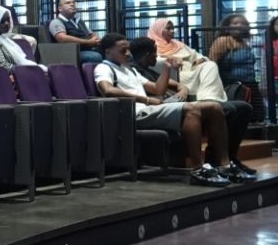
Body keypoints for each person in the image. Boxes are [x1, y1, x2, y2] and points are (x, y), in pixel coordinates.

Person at [93, 34, 232, 187]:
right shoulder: (103, 67)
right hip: (132, 114)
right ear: (107, 51)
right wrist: (145, 99)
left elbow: (158, 89)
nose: (127, 53)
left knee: (214, 107)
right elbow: (108, 90)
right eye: (123, 50)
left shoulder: (129, 70)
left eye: (128, 50)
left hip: (148, 110)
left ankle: (224, 166)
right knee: (191, 110)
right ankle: (198, 169)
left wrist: (166, 68)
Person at [128, 37, 256, 181]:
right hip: (163, 106)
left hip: (179, 101)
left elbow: (176, 85)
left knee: (244, 108)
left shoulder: (150, 70)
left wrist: (182, 89)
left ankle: (230, 159)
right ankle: (214, 160)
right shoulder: (134, 71)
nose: (157, 56)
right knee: (228, 109)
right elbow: (157, 90)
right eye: (155, 53)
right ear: (147, 54)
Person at [148, 17, 226, 101]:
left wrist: (201, 59)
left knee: (211, 65)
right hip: (174, 76)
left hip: (192, 70)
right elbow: (151, 63)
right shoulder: (151, 45)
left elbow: (198, 55)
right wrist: (168, 59)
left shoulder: (177, 44)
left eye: (173, 28)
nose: (172, 31)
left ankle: (208, 98)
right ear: (158, 30)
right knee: (204, 75)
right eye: (168, 28)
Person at [208, 14, 260, 104]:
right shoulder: (223, 40)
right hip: (233, 86)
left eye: (243, 23)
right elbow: (212, 63)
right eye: (235, 23)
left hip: (251, 84)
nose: (239, 25)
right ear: (227, 26)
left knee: (257, 115)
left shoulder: (245, 43)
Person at [0, 2, 38, 68]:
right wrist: (24, 72)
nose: (6, 23)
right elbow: (2, 66)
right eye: (1, 21)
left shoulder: (2, 38)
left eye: (8, 20)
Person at [48, 0, 103, 64]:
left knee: (109, 50)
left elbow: (92, 35)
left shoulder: (79, 21)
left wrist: (95, 39)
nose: (72, 4)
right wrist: (88, 42)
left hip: (87, 49)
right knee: (95, 57)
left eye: (73, 3)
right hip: (71, 53)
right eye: (68, 3)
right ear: (60, 8)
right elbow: (62, 38)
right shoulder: (56, 22)